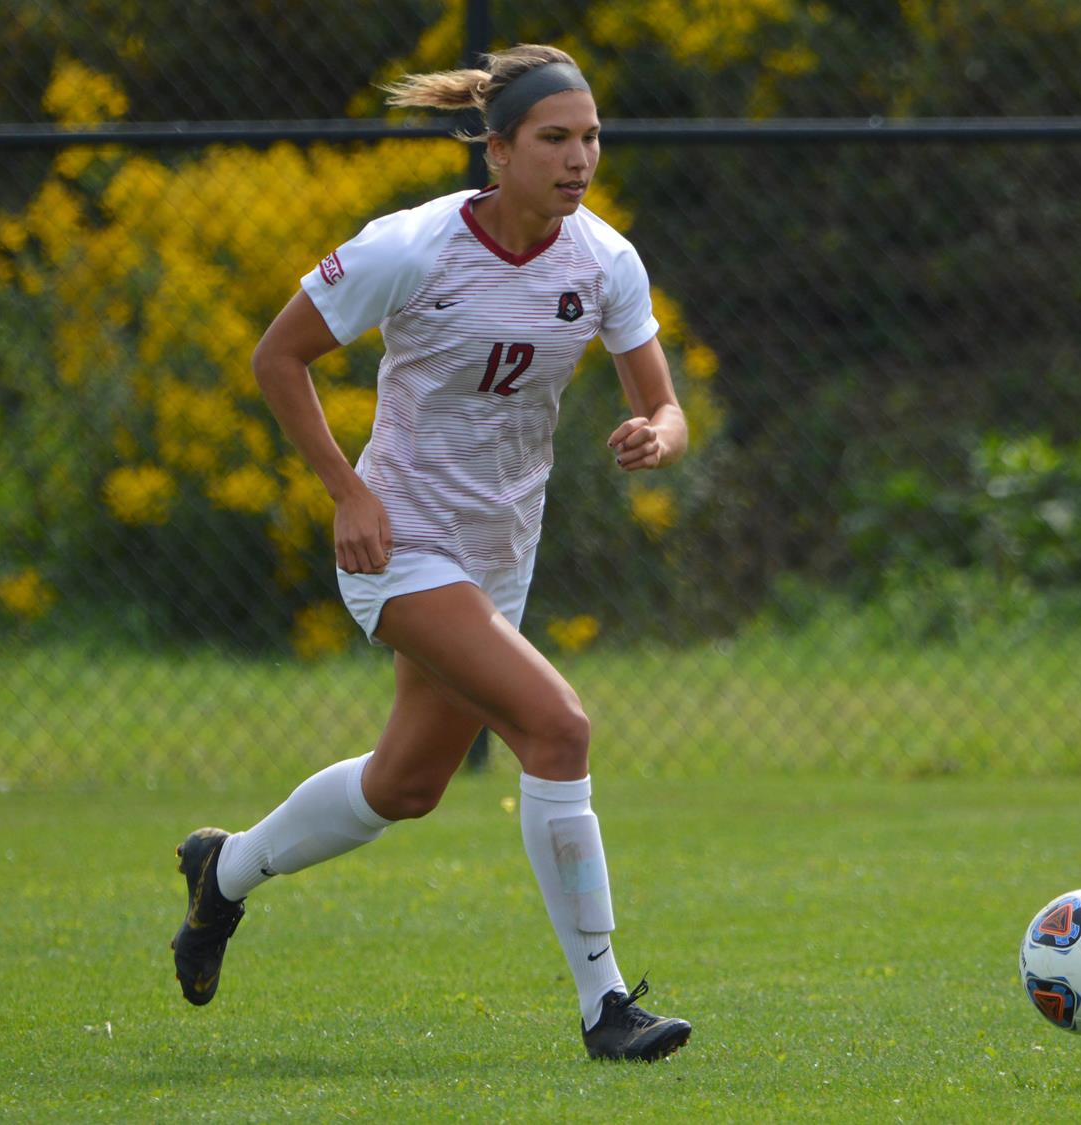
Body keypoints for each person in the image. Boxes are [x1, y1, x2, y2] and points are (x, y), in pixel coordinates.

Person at [170, 44, 692, 1063]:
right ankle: (606, 1006)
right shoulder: (410, 246)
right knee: (559, 728)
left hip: (499, 553)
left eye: (590, 138)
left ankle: (222, 873)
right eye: (554, 138)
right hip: (401, 540)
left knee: (404, 787)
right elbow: (277, 357)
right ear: (496, 152)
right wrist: (348, 491)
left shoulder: (604, 260)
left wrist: (657, 437)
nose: (579, 158)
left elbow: (663, 405)